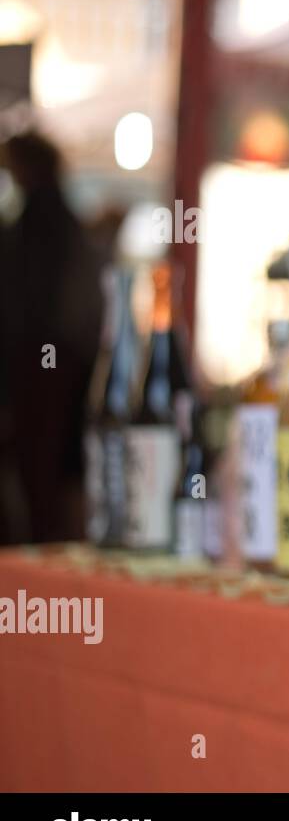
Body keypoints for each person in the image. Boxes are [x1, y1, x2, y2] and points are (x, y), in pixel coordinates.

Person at [0, 130, 103, 543]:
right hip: (62, 363)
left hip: (41, 365)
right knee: (56, 472)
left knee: (40, 472)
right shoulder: (63, 222)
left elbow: (27, 308)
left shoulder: (36, 227)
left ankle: (39, 553)